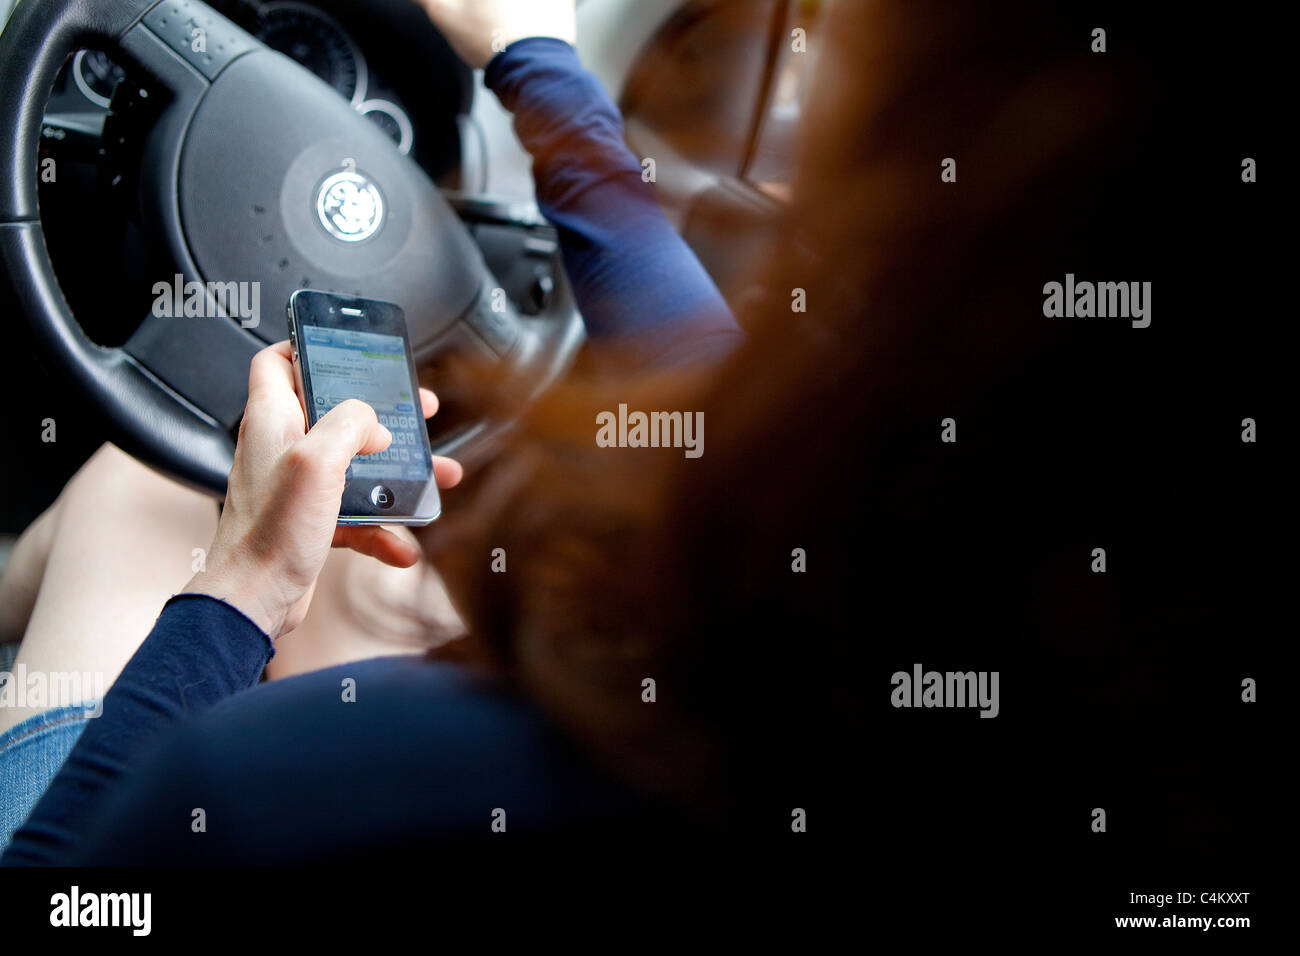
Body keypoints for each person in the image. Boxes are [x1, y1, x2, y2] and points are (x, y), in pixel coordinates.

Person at [1, 0, 1227, 865]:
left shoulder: (293, 797)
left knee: (140, 489)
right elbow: (698, 378)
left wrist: (244, 593)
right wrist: (537, 63)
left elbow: (76, 894)